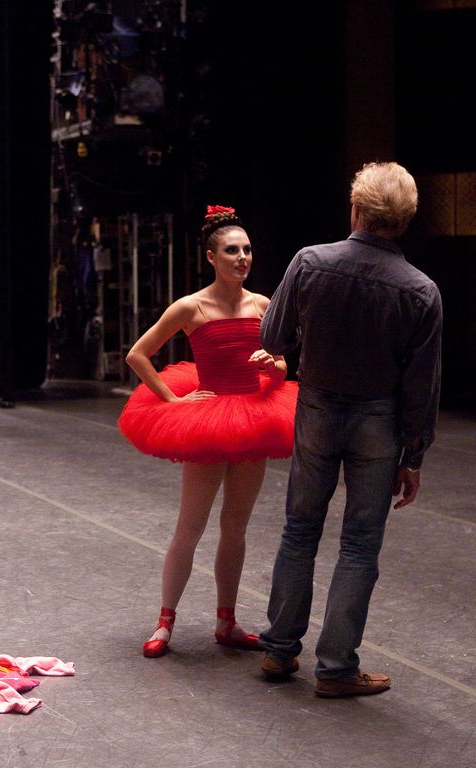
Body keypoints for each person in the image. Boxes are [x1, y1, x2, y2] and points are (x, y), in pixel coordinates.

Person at [257, 161, 443, 698]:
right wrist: (414, 457)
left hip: (315, 408)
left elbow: (273, 337)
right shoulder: (421, 291)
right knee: (359, 546)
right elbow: (421, 386)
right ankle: (336, 668)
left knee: (299, 530)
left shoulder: (310, 262)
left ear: (356, 209)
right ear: (404, 221)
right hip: (378, 423)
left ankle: (277, 651)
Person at [118, 205, 298, 658]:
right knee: (190, 528)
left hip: (254, 417)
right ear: (211, 258)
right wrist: (173, 400)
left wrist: (271, 366)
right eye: (232, 250)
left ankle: (227, 621)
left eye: (247, 250)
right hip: (209, 418)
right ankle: (165, 622)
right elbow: (138, 355)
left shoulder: (264, 305)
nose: (243, 258)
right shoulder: (191, 306)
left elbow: (281, 367)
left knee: (235, 528)